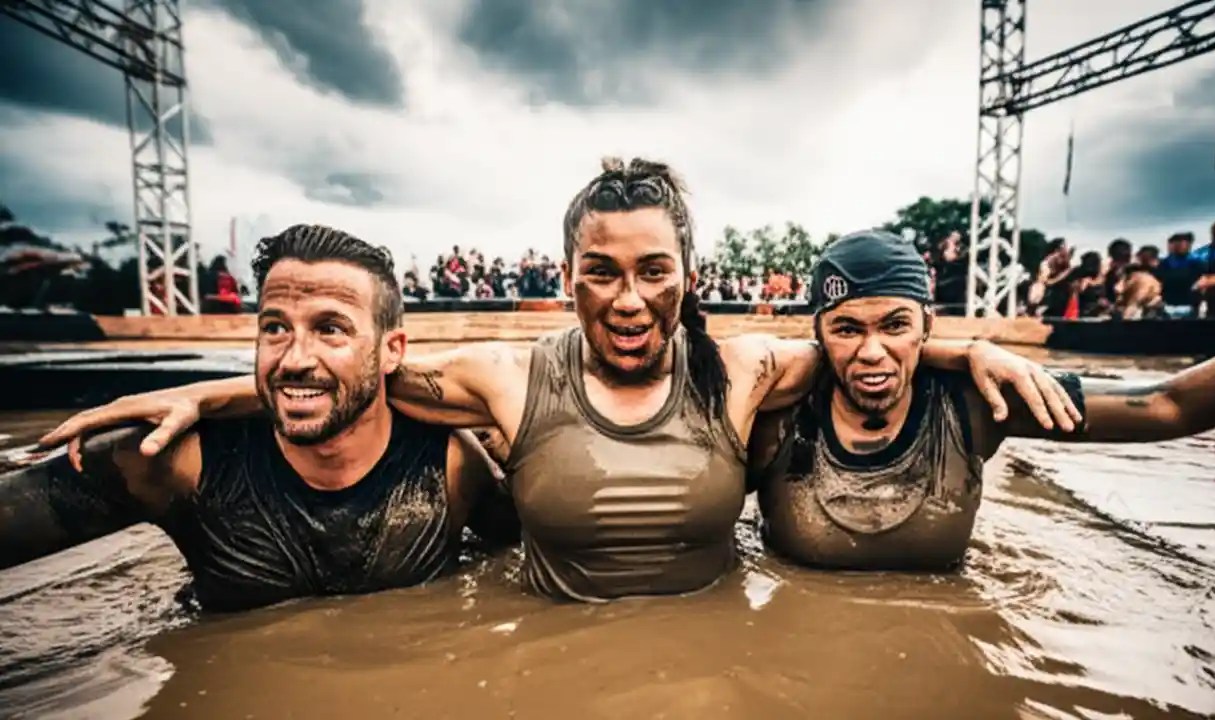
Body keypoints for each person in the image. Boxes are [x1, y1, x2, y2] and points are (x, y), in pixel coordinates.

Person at [35, 158, 1079, 604]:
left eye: (652, 272)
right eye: (601, 272)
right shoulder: (503, 373)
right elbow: (354, 375)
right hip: (542, 626)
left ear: (688, 278)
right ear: (566, 276)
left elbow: (870, 352)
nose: (627, 300)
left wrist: (968, 352)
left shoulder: (752, 364)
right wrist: (216, 396)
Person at [2, 225, 510, 612]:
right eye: (274, 327)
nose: (293, 358)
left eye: (330, 328)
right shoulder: (173, 458)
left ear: (391, 349)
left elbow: (520, 557)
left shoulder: (448, 466)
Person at [747, 231, 1215, 572]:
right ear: (816, 331)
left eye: (896, 325)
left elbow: (1169, 404)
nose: (871, 352)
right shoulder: (776, 417)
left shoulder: (975, 405)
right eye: (846, 329)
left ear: (927, 325)